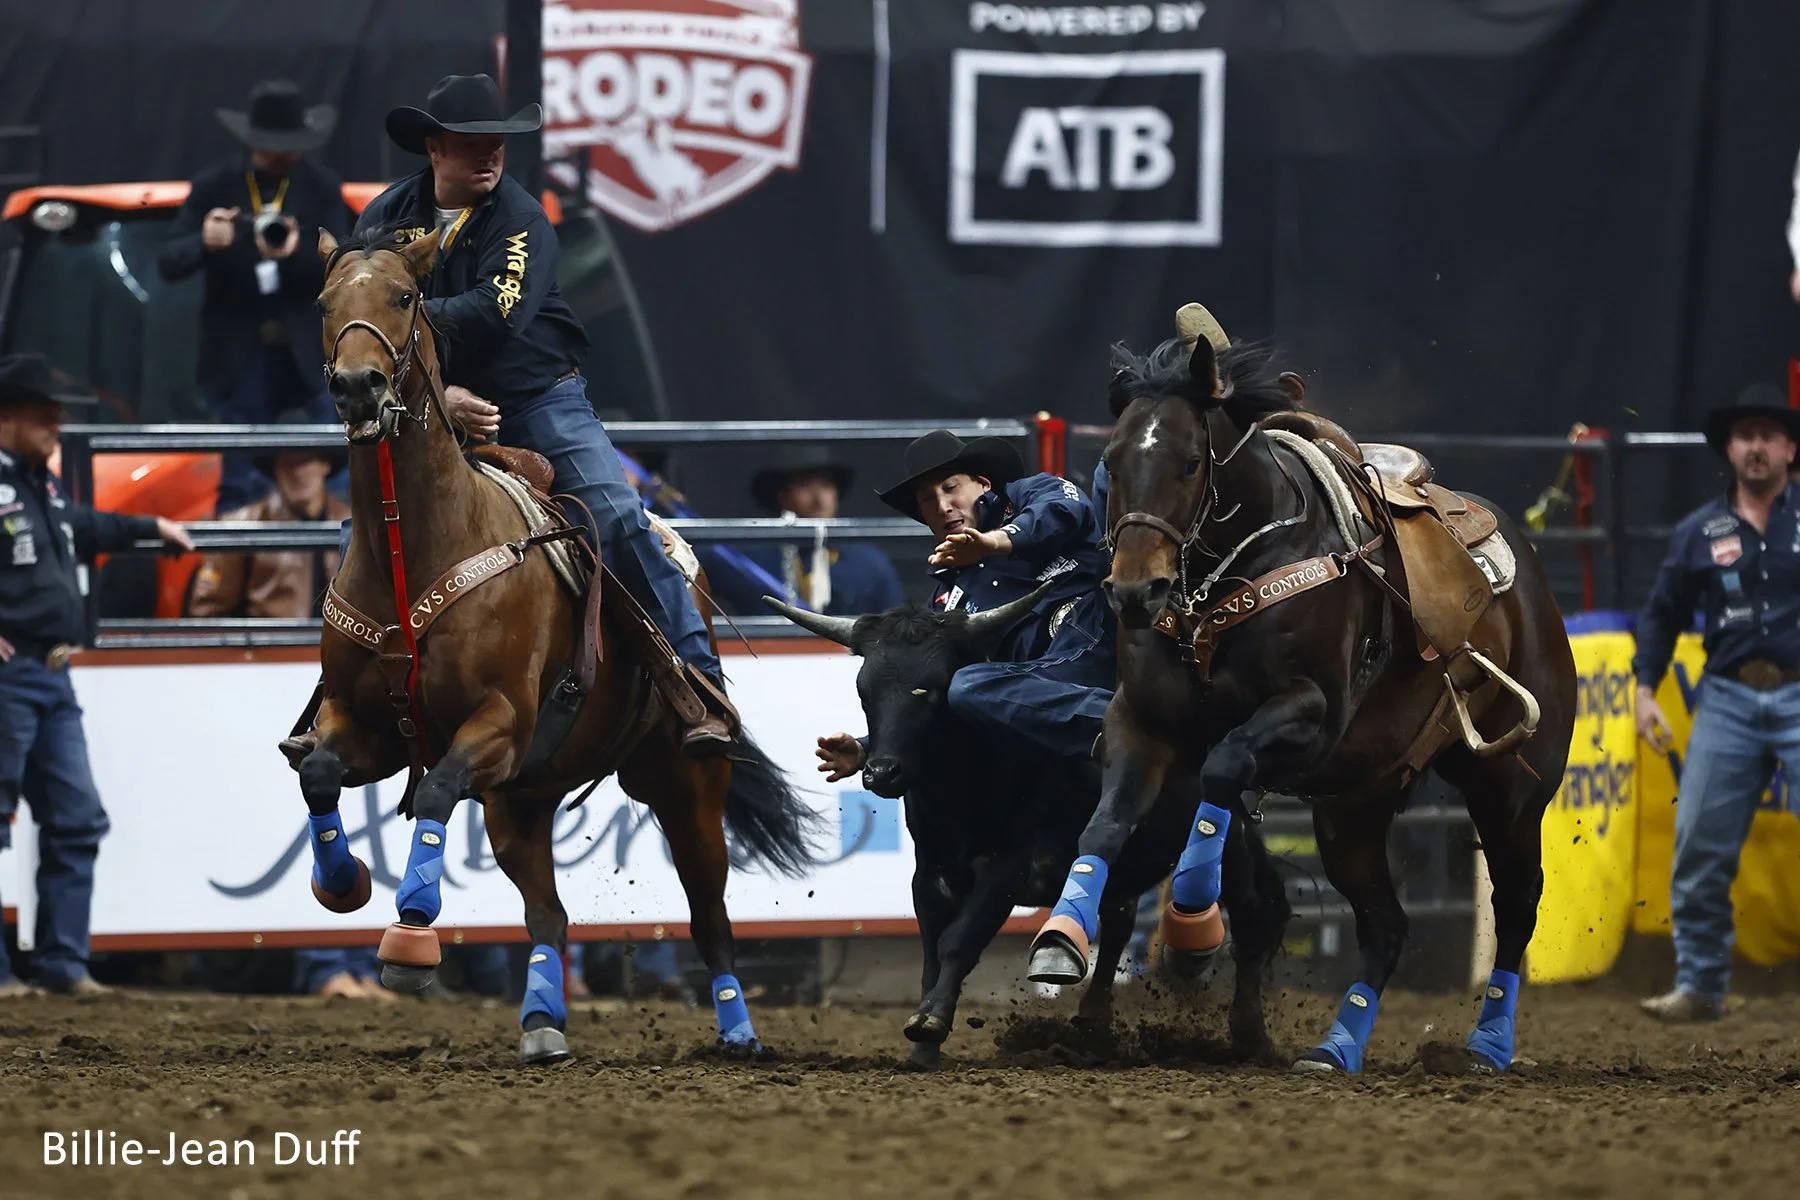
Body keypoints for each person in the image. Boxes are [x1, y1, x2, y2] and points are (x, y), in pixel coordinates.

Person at [343, 73, 735, 753]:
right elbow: (353, 312)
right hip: (439, 409)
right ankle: (342, 690)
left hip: (537, 401)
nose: (491, 155)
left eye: (498, 143)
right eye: (473, 144)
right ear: (434, 148)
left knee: (614, 514)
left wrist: (403, 324)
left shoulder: (522, 216)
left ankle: (700, 682)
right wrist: (434, 395)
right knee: (367, 528)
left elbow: (500, 313)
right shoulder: (383, 218)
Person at [0, 354, 192, 997]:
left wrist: (146, 527)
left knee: (76, 818)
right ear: (7, 418)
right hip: (15, 673)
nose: (57, 423)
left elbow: (85, 526)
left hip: (49, 674)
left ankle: (61, 963)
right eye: (42, 413)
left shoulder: (40, 486)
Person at [183, 411, 387, 1001]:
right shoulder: (245, 526)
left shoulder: (361, 526)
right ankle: (328, 968)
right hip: (273, 686)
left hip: (336, 686)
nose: (299, 472)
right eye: (288, 463)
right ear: (277, 470)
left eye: (308, 460)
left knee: (328, 819)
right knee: (312, 818)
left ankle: (341, 966)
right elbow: (206, 617)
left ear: (325, 466)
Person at [1634, 382, 1800, 1022]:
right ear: (1730, 449)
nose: (1756, 447)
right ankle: (1702, 985)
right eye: (1745, 436)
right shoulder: (1699, 531)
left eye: (1768, 435)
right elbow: (1662, 615)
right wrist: (1646, 691)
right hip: (1728, 699)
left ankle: (1702, 982)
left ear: (1790, 447)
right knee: (1700, 844)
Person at [815, 430, 1115, 781]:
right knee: (966, 690)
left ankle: (1126, 726)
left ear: (984, 484)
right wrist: (868, 748)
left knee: (1108, 468)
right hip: (1037, 694)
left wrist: (995, 541)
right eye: (927, 500)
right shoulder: (947, 599)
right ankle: (1114, 727)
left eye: (950, 487)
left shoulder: (1032, 493)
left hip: (1101, 637)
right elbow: (928, 693)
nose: (942, 506)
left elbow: (1067, 508)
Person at [157, 80, 350, 514]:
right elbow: (169, 261)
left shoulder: (319, 185)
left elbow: (347, 259)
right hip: (240, 355)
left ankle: (343, 573)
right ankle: (237, 574)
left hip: (312, 355)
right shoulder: (216, 185)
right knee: (240, 480)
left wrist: (299, 252)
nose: (286, 153)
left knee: (338, 472)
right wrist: (207, 241)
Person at [697, 444, 905, 617]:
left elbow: (894, 634)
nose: (818, 498)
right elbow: (688, 568)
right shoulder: (748, 559)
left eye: (826, 485)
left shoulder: (870, 564)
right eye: (805, 485)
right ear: (783, 497)